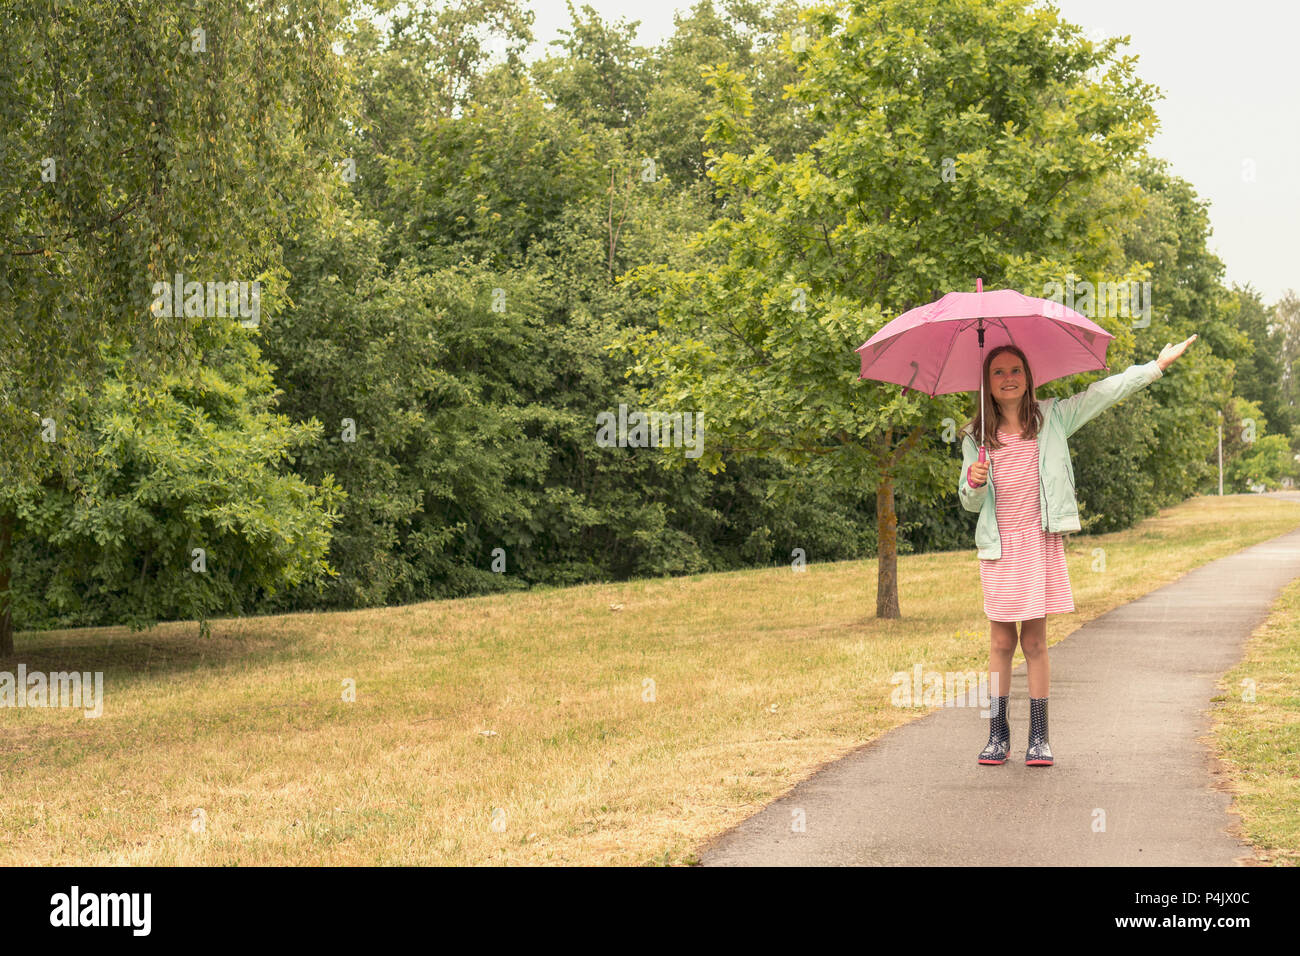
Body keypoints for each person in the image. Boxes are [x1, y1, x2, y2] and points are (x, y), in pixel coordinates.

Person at [958, 335, 1197, 766]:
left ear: (1028, 378)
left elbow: (1102, 394)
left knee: (1034, 641)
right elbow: (969, 503)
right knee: (999, 641)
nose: (1008, 379)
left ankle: (1039, 737)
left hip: (1038, 543)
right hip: (998, 549)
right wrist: (974, 480)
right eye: (998, 372)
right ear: (987, 383)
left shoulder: (1053, 418)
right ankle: (997, 734)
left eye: (1015, 370)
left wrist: (1155, 367)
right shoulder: (976, 438)